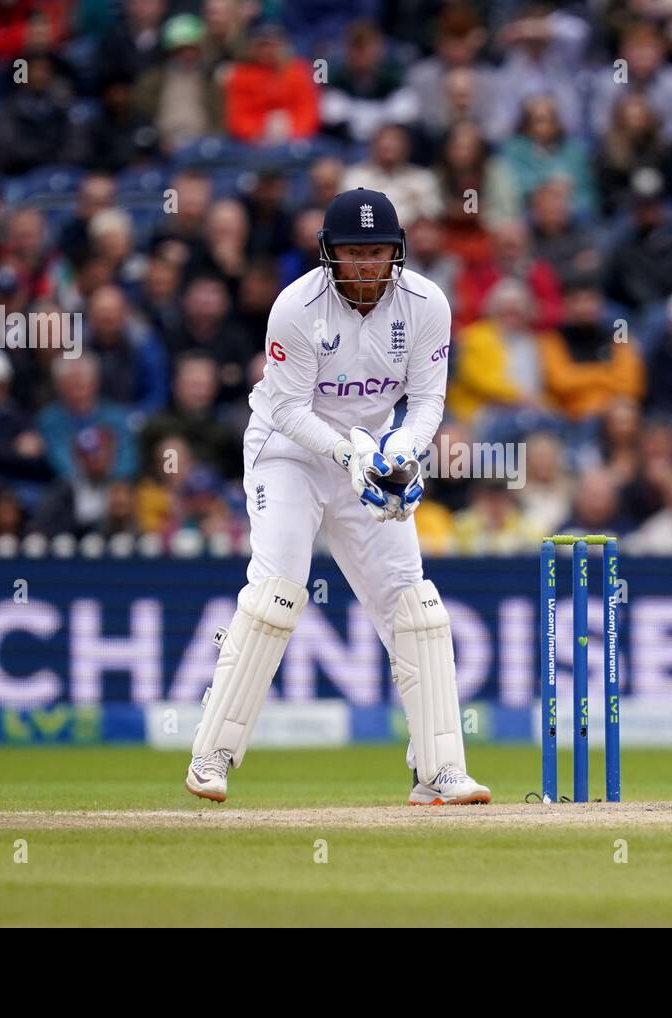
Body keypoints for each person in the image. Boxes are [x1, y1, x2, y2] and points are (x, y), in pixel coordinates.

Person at [185, 187, 491, 807]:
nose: (367, 267)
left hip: (370, 451)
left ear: (397, 254)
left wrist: (399, 451)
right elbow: (290, 409)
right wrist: (350, 454)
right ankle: (211, 756)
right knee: (278, 593)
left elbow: (429, 399)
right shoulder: (296, 308)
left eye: (379, 253)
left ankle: (438, 771)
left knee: (415, 606)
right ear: (329, 254)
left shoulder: (427, 302)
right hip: (289, 450)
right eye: (354, 254)